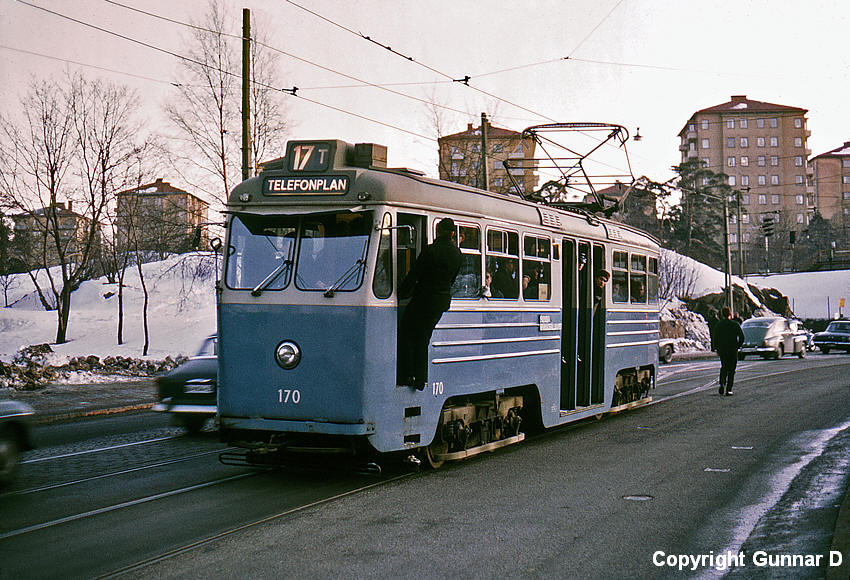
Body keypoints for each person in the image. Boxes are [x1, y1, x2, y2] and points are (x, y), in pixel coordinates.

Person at [397, 218, 462, 390]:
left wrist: (401, 293)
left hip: (423, 300)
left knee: (406, 332)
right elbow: (452, 279)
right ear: (453, 233)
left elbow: (414, 274)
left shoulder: (430, 251)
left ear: (438, 231)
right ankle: (420, 378)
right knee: (423, 337)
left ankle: (408, 375)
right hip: (441, 302)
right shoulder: (457, 254)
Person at [713, 306, 745, 396]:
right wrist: (737, 346)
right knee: (732, 370)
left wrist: (717, 349)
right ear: (730, 314)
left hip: (723, 350)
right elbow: (742, 337)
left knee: (724, 367)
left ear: (722, 314)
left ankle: (722, 383)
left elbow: (715, 338)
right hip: (732, 350)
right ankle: (729, 389)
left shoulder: (718, 325)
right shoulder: (735, 324)